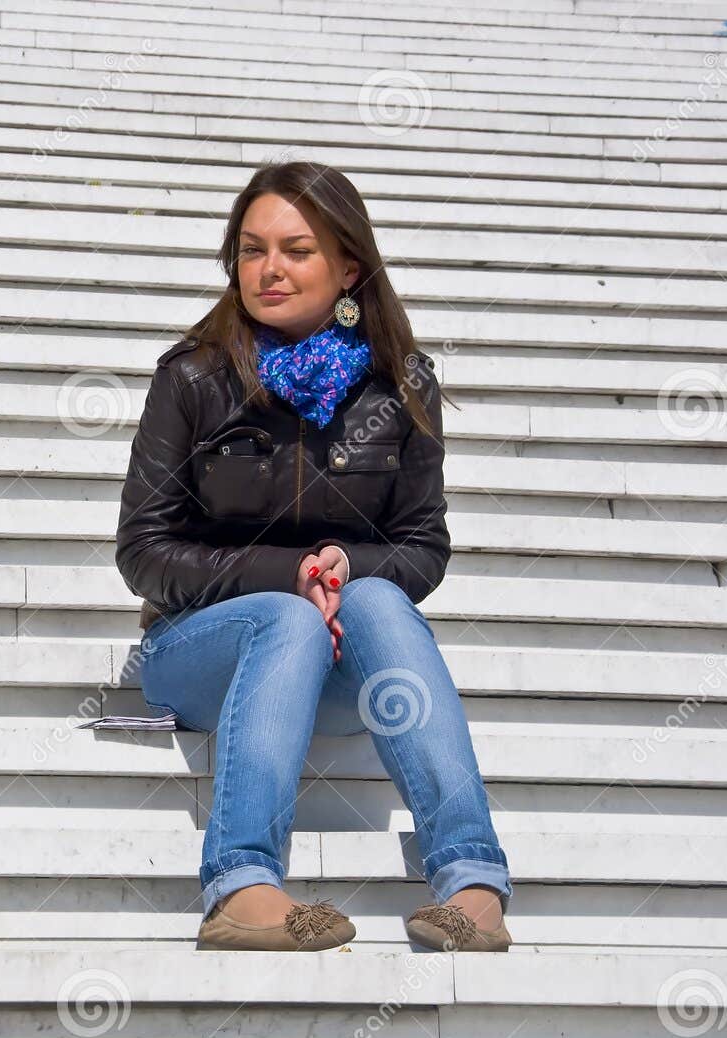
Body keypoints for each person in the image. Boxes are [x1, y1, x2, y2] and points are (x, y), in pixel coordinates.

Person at [114, 161, 513, 953]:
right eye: (252, 249)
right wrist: (286, 580)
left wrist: (341, 566)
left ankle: (473, 884)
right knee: (287, 620)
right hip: (201, 655)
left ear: (349, 267)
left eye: (296, 250)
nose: (269, 269)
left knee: (379, 598)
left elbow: (423, 547)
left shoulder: (402, 386)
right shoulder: (193, 377)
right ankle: (241, 884)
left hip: (337, 668)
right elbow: (144, 552)